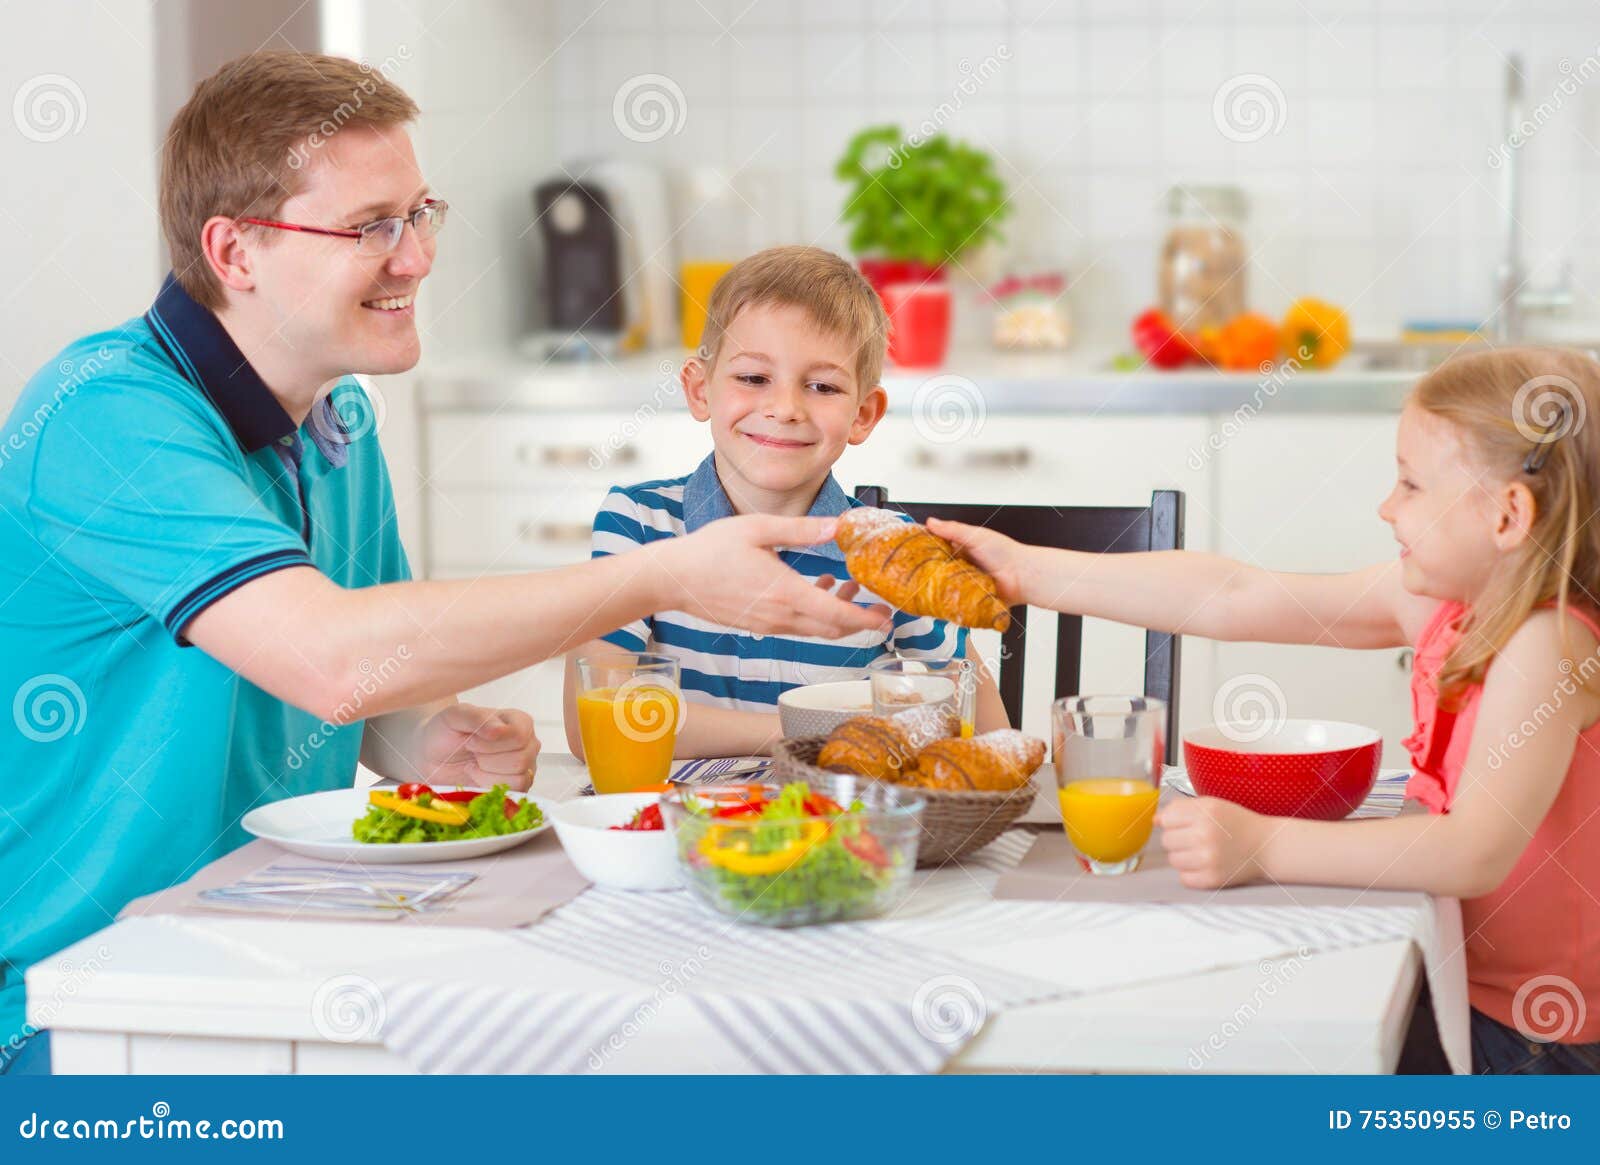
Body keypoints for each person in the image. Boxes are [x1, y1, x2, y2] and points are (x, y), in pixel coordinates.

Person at [0, 54, 888, 1074]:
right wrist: (664, 576)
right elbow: (327, 656)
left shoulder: (336, 420)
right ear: (235, 250)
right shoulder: (106, 417)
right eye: (372, 226)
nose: (418, 258)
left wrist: (428, 738)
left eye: (421, 214)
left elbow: (363, 685)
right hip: (83, 1007)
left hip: (273, 951)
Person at [933, 347, 1600, 1073]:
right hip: (1445, 974)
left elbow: (1474, 850)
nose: (1386, 506)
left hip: (1532, 1043)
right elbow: (1234, 595)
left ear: (1507, 514)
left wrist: (1262, 846)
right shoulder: (1445, 605)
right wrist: (1030, 571)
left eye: (1410, 483)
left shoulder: (1548, 643)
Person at [562, 246, 1008, 759]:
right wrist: (798, 731)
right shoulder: (639, 523)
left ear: (864, 414)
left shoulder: (895, 552)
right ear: (700, 389)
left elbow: (983, 728)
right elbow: (592, 724)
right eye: (754, 378)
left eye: (822, 386)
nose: (784, 408)